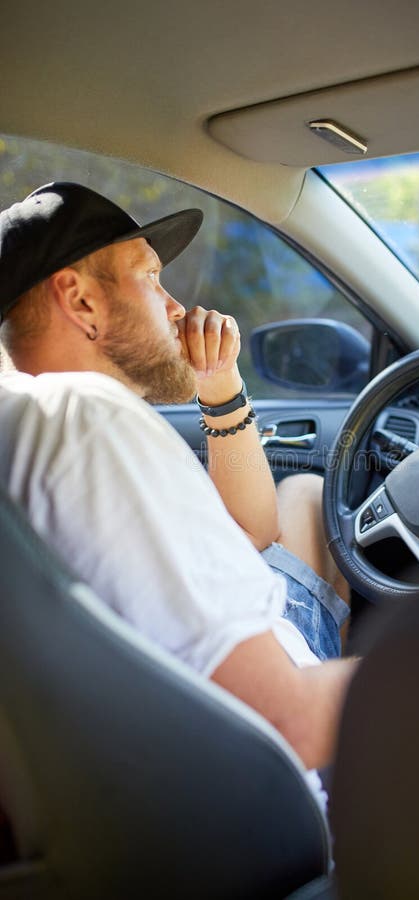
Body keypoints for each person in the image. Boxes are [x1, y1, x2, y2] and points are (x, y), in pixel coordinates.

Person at [0, 181, 358, 777]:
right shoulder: (87, 422)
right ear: (82, 302)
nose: (174, 306)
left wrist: (218, 385)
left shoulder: (24, 421)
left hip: (142, 758)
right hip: (284, 792)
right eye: (150, 277)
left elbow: (250, 534)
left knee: (304, 494)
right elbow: (287, 724)